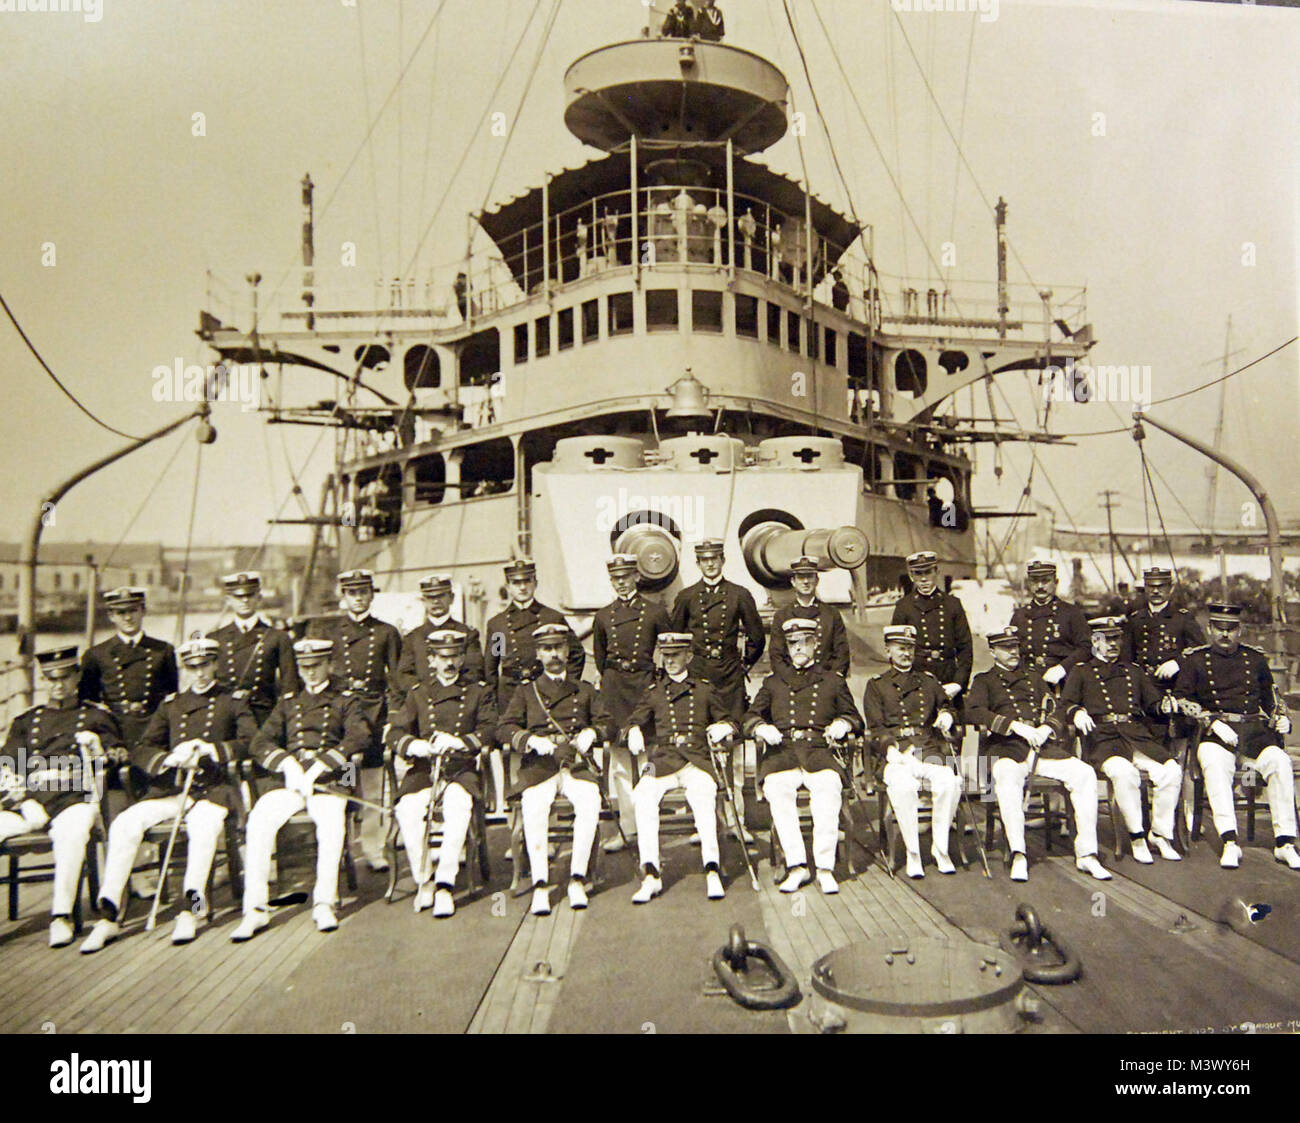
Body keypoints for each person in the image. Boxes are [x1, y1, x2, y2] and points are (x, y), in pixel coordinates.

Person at [79, 638, 257, 953]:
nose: (200, 673)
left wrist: (210, 750)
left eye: (205, 665)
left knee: (204, 829)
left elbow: (250, 741)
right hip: (176, 788)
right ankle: (109, 913)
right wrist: (167, 760)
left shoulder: (233, 700)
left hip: (215, 789)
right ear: (185, 669)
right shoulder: (171, 704)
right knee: (125, 823)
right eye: (193, 667)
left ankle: (193, 909)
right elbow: (144, 746)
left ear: (215, 664)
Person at [231, 639, 373, 941]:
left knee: (332, 825)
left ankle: (324, 902)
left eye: (316, 665)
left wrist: (322, 764)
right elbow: (259, 742)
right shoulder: (289, 702)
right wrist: (287, 764)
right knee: (258, 821)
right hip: (293, 784)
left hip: (329, 783)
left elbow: (359, 736)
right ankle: (255, 910)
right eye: (304, 667)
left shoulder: (345, 699)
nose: (310, 672)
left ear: (329, 665)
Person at [966, 627, 1112, 882]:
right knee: (1006, 778)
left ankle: (1087, 854)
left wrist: (1046, 728)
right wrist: (1014, 726)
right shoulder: (984, 681)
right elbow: (975, 711)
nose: (1013, 652)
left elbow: (1057, 708)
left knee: (1085, 774)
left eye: (1015, 646)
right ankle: (1018, 853)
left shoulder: (1033, 678)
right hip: (1006, 749)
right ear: (992, 652)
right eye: (1005, 648)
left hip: (1041, 749)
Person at [0, 647, 122, 948]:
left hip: (74, 798)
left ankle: (62, 915)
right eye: (51, 679)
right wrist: (21, 797)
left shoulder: (95, 716)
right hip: (31, 801)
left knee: (73, 832)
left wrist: (101, 751)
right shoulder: (26, 721)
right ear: (44, 680)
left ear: (77, 677)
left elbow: (116, 756)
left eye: (65, 678)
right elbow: (7, 765)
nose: (58, 685)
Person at [1172, 602, 1297, 870]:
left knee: (1280, 762)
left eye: (1231, 629)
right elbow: (1182, 698)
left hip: (1254, 733)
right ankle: (1229, 840)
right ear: (1210, 629)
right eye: (1219, 629)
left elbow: (1271, 698)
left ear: (1240, 630)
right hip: (1216, 733)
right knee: (1216, 765)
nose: (1225, 635)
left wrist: (1281, 716)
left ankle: (1285, 842)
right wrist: (1211, 722)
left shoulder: (1255, 659)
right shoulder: (1195, 660)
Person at [497, 623, 609, 916]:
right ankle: (541, 884)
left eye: (558, 648)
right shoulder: (527, 692)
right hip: (540, 767)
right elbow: (504, 728)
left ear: (567, 651)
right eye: (547, 649)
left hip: (574, 765)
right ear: (538, 654)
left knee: (590, 802)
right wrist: (529, 739)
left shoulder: (583, 690)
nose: (554, 655)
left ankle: (576, 878)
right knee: (534, 807)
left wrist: (593, 733)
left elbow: (608, 722)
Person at [745, 618, 863, 894]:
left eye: (805, 642)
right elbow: (749, 716)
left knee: (828, 790)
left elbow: (855, 717)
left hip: (819, 752)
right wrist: (762, 727)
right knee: (777, 790)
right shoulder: (774, 683)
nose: (799, 648)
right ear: (787, 647)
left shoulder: (832, 680)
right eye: (793, 643)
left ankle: (824, 867)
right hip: (783, 753)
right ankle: (797, 866)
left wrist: (843, 724)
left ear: (815, 644)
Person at [387, 630, 497, 918]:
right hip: (424, 771)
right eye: (442, 657)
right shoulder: (418, 694)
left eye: (454, 657)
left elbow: (490, 730)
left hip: (460, 770)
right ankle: (425, 879)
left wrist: (461, 742)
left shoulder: (478, 692)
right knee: (407, 810)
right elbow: (395, 733)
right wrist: (415, 745)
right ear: (431, 660)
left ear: (462, 658)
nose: (449, 663)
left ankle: (445, 885)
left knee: (458, 808)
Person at [624, 632, 736, 903]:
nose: (670, 660)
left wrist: (725, 726)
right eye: (666, 655)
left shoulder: (705, 689)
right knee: (641, 794)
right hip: (660, 761)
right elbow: (630, 723)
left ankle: (712, 869)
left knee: (703, 796)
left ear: (689, 656)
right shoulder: (654, 692)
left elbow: (731, 722)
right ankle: (651, 873)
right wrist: (633, 730)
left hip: (697, 760)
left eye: (676, 655)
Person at [1060, 617, 1181, 865]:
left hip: (1136, 737)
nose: (1113, 644)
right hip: (1104, 741)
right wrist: (1077, 712)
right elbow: (1065, 704)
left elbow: (1152, 703)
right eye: (1107, 639)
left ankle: (1159, 834)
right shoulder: (1081, 671)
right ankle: (1137, 837)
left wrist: (1164, 705)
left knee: (1171, 771)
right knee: (1125, 773)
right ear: (1095, 641)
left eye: (1116, 638)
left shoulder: (1132, 671)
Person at [311, 569, 402, 871]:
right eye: (352, 592)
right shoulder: (331, 634)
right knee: (346, 781)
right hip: (344, 718)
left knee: (374, 785)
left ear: (372, 595)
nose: (358, 598)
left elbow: (397, 680)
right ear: (343, 596)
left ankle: (373, 847)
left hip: (374, 715)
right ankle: (344, 847)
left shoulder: (386, 633)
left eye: (363, 592)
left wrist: (393, 718)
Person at [862, 624, 959, 879]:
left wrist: (947, 715)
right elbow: (874, 726)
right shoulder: (876, 685)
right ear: (888, 650)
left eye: (909, 648)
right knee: (903, 787)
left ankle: (941, 849)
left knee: (950, 781)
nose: (906, 653)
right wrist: (889, 747)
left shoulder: (928, 681)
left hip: (927, 749)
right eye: (900, 648)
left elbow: (948, 705)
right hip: (895, 753)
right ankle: (913, 852)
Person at [592, 554, 670, 852]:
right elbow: (601, 659)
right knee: (621, 763)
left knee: (649, 756)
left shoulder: (654, 613)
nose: (620, 583)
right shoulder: (603, 616)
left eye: (625, 577)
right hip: (616, 690)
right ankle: (628, 826)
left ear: (636, 577)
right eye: (615, 578)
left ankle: (650, 823)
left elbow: (667, 651)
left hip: (644, 688)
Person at [669, 538, 764, 721]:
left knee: (733, 726)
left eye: (714, 558)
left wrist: (742, 665)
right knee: (697, 724)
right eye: (705, 560)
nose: (710, 563)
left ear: (723, 560)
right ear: (698, 563)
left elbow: (757, 637)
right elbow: (676, 637)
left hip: (729, 675)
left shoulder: (739, 594)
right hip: (698, 672)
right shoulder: (687, 596)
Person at [80, 587, 178, 754]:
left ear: (143, 611)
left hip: (153, 727)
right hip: (114, 729)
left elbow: (172, 694)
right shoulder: (96, 654)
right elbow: (87, 700)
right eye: (120, 612)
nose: (127, 617)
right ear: (111, 616)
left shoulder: (162, 650)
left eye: (133, 610)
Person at [207, 571, 298, 727]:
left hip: (263, 717)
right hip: (226, 718)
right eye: (238, 597)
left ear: (259, 598)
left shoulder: (277, 637)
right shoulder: (215, 639)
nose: (245, 600)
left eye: (250, 595)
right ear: (228, 600)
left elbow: (289, 686)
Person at [890, 551, 973, 709]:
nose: (923, 579)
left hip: (948, 678)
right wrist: (903, 682)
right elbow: (896, 649)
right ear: (911, 575)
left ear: (936, 571)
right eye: (918, 573)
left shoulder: (953, 604)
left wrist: (958, 683)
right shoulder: (904, 606)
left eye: (928, 572)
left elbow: (965, 648)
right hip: (915, 677)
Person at [398, 573, 486, 695]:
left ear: (451, 598)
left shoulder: (467, 634)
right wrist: (423, 694)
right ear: (423, 601)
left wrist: (449, 692)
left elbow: (474, 671)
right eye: (430, 597)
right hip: (424, 703)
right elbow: (404, 674)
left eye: (441, 596)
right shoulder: (413, 638)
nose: (436, 601)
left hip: (458, 700)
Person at [1009, 561, 1092, 689]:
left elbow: (1087, 647)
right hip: (1027, 681)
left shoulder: (1071, 613)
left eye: (1045, 581)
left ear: (1056, 582)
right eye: (1035, 581)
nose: (1040, 586)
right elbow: (1012, 650)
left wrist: (1062, 668)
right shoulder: (1020, 616)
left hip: (1063, 682)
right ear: (1028, 584)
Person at [768, 555, 850, 678]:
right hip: (792, 683)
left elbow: (841, 653)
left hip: (824, 682)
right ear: (793, 582)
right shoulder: (782, 616)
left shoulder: (831, 614)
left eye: (809, 576)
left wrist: (831, 682)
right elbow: (776, 655)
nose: (805, 582)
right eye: (801, 577)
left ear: (817, 580)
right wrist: (791, 681)